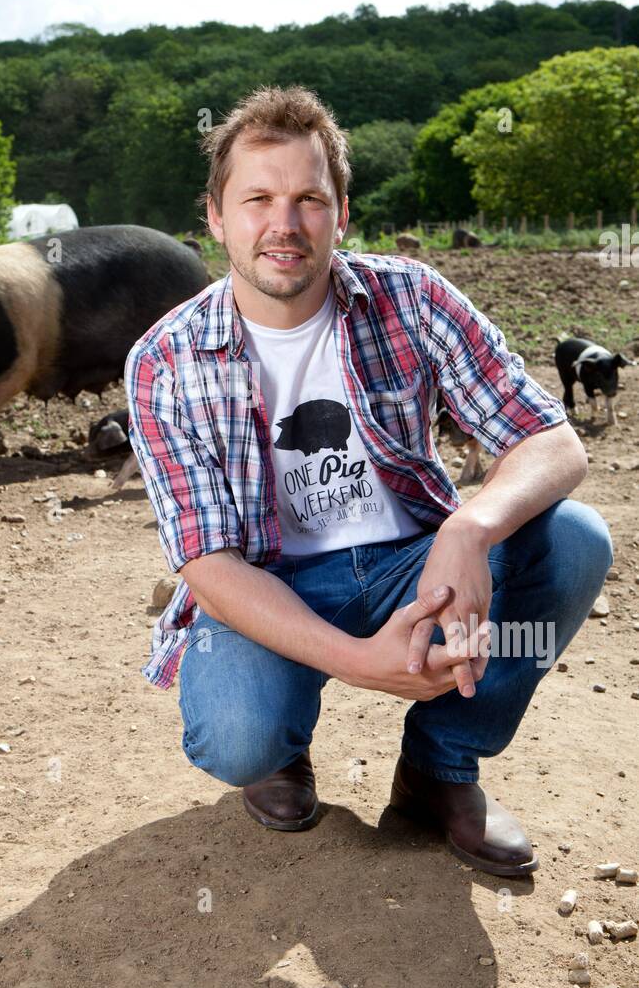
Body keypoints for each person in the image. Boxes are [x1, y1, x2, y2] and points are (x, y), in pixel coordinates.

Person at [123, 86, 612, 875]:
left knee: (574, 541)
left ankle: (438, 770)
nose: (284, 223)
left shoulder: (411, 299)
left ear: (341, 212)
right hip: (267, 587)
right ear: (216, 216)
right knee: (235, 735)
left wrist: (469, 528)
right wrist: (359, 663)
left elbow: (550, 441)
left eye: (309, 199)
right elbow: (207, 563)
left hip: (410, 570)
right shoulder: (164, 360)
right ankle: (276, 750)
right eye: (258, 199)